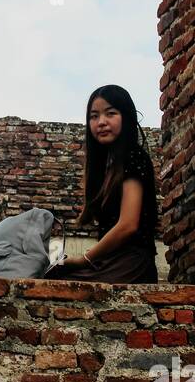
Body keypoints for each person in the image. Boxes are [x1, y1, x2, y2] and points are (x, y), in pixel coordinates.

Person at [46, 84, 158, 284]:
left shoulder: (134, 158)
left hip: (131, 264)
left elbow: (128, 225)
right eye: (94, 116)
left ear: (126, 117)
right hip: (109, 262)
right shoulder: (106, 168)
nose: (101, 122)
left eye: (110, 113)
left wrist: (84, 259)